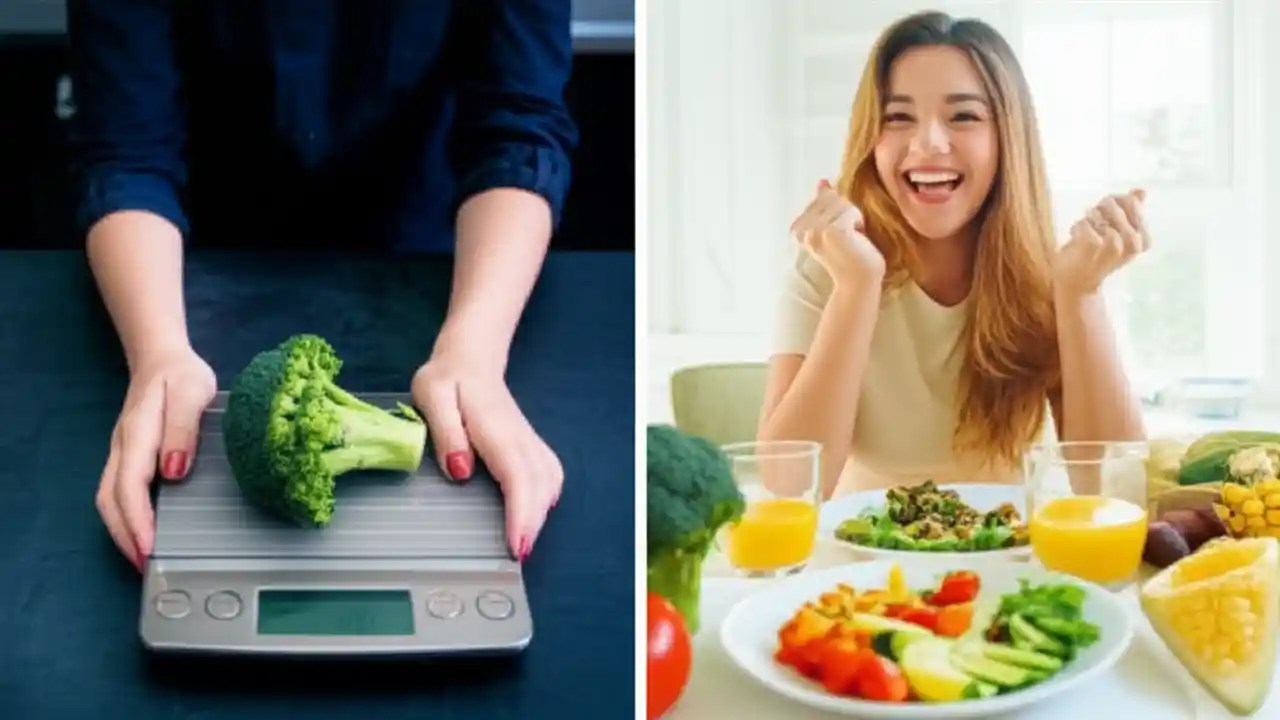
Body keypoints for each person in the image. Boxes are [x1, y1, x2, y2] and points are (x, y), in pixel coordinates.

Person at [66, 1, 578, 570]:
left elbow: (519, 130)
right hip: (186, 262)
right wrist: (157, 353)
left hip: (438, 260)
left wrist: (476, 352)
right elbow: (127, 151)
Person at [758, 11, 1148, 499]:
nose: (928, 143)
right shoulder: (831, 267)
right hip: (863, 562)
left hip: (1012, 561)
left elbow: (1112, 485)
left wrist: (1081, 295)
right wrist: (856, 289)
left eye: (963, 116)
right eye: (898, 117)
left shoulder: (1055, 273)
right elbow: (789, 487)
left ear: (1007, 139)